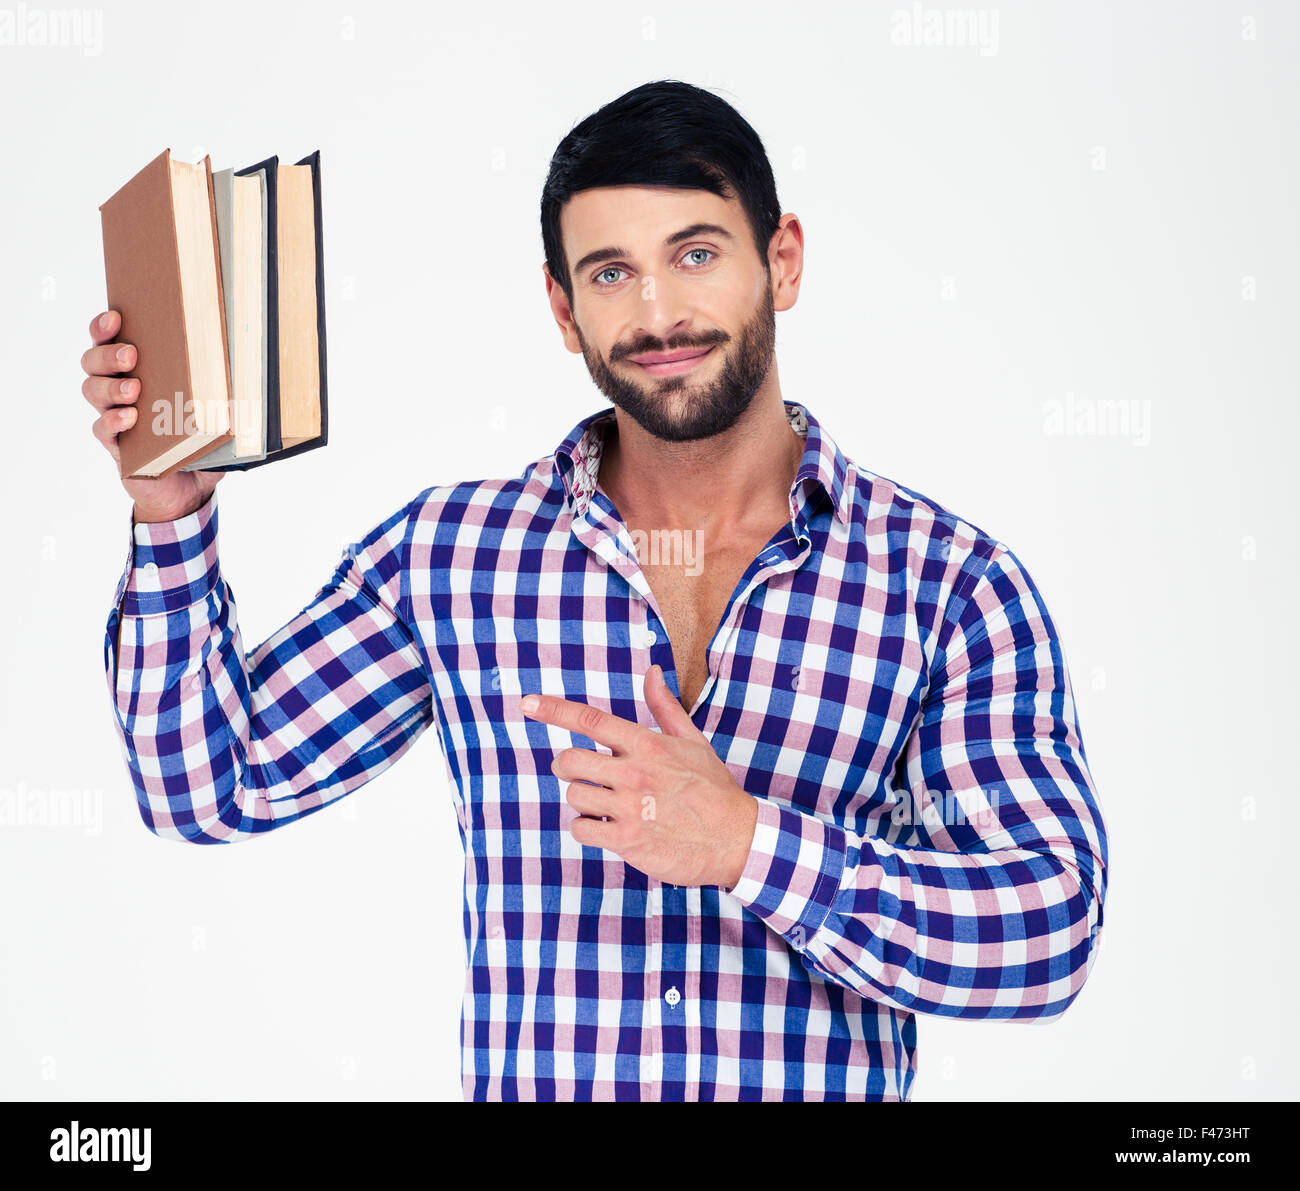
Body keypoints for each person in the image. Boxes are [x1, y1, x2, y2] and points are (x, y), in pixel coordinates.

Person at [83, 79, 1108, 1101]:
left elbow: (1045, 928)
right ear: (562, 311)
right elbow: (203, 789)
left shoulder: (946, 587)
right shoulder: (457, 555)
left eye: (695, 254)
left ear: (781, 261)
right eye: (611, 273)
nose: (657, 313)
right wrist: (170, 514)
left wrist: (748, 845)